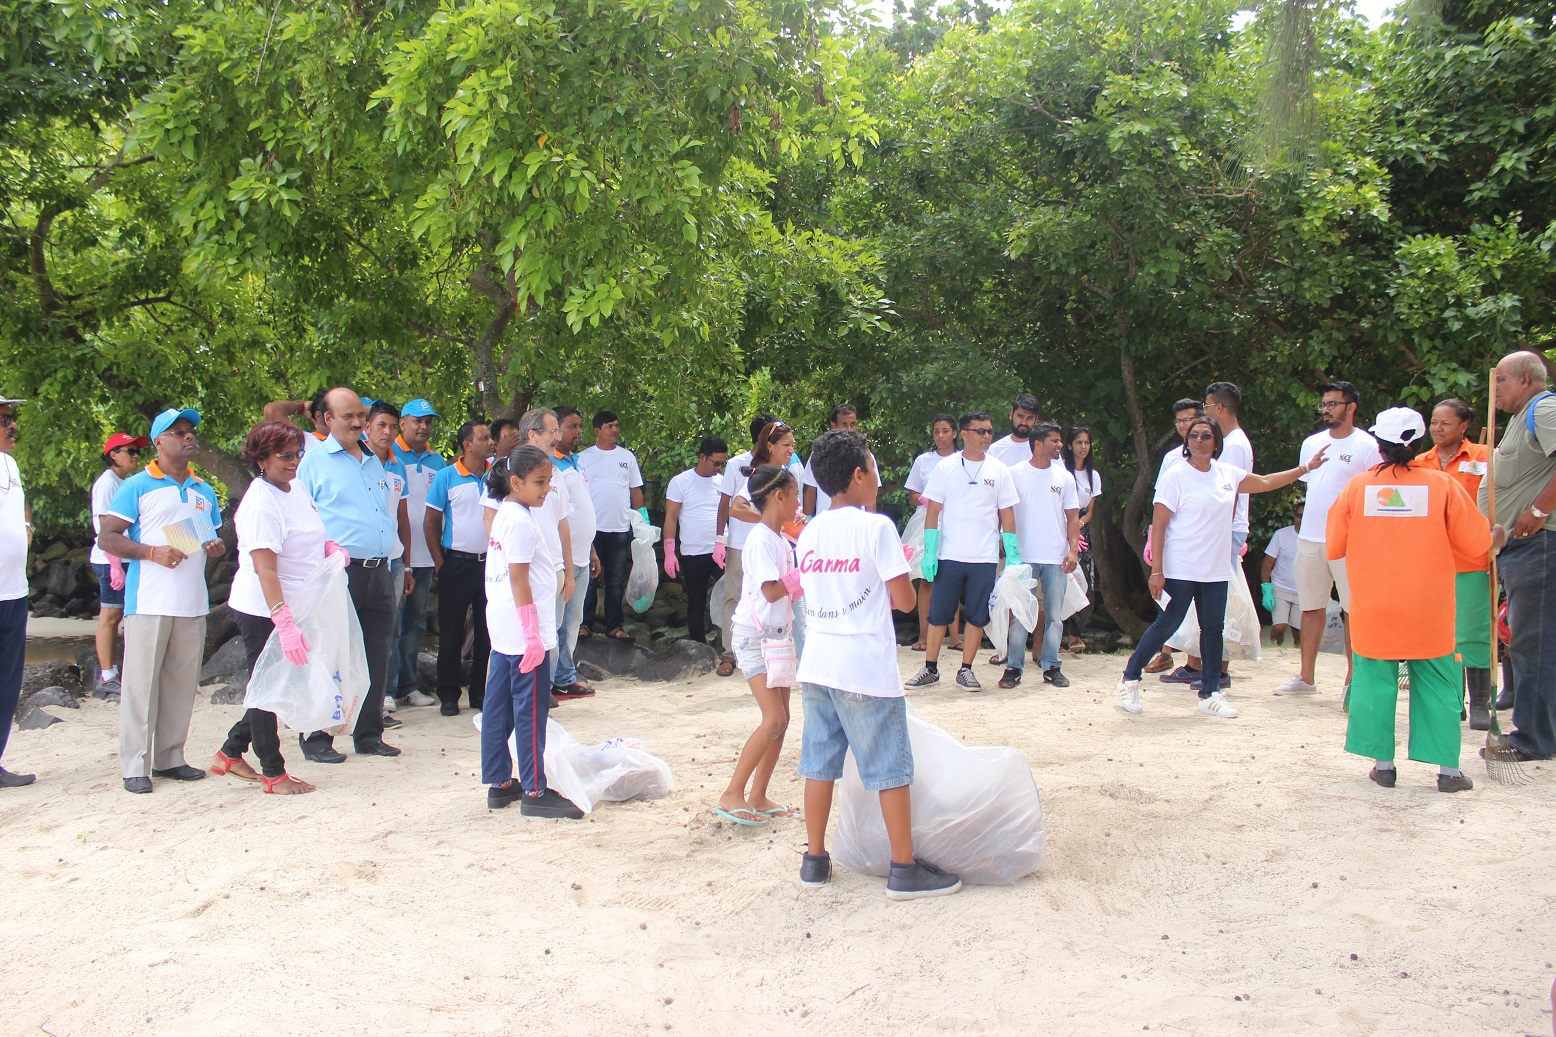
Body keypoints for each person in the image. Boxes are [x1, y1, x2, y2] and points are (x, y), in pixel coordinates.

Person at [794, 429, 961, 900]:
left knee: (819, 764)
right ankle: (903, 869)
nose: (880, 479)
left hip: (818, 664)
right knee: (889, 767)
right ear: (858, 474)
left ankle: (814, 860)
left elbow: (812, 592)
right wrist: (903, 568)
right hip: (864, 665)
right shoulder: (877, 527)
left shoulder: (810, 532)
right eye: (873, 468)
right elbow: (906, 602)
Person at [1116, 416, 1324, 718]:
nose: (1199, 440)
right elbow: (1159, 526)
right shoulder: (1176, 475)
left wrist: (1305, 469)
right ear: (1187, 442)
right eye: (1194, 435)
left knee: (1213, 629)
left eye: (1206, 436)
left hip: (1214, 569)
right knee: (1167, 623)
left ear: (1216, 443)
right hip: (1180, 567)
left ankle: (1210, 693)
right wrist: (1157, 571)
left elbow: (1265, 482)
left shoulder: (1227, 473)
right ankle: (1129, 679)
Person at [1330, 407, 1494, 791]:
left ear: (1379, 445)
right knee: (1439, 681)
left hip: (1375, 602)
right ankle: (1448, 773)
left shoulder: (1358, 487)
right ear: (1418, 442)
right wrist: (1495, 532)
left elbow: (1335, 546)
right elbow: (1476, 542)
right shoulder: (1442, 485)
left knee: (1374, 681)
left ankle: (1383, 766)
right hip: (1429, 604)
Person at [97, 408, 226, 792]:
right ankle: (135, 765)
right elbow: (108, 537)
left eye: (190, 432)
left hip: (191, 602)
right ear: (158, 441)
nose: (188, 437)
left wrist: (215, 547)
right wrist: (151, 552)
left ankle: (170, 757)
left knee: (181, 685)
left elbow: (210, 538)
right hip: (149, 600)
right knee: (140, 686)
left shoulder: (204, 490)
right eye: (178, 432)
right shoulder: (137, 485)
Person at [209, 421, 335, 794]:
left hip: (298, 599)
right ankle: (273, 771)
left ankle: (231, 751)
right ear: (261, 459)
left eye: (298, 453)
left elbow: (307, 531)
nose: (295, 461)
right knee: (267, 685)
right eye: (285, 455)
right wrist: (283, 620)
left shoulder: (293, 487)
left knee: (281, 683)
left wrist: (327, 549)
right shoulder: (260, 503)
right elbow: (266, 568)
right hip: (264, 606)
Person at [295, 388, 400, 761]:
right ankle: (316, 736)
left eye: (360, 415)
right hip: (338, 573)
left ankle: (368, 733)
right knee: (329, 654)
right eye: (347, 416)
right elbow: (300, 520)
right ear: (325, 420)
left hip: (379, 571)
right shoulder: (311, 462)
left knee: (375, 654)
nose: (358, 422)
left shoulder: (374, 459)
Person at [481, 444, 585, 818]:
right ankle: (536, 791)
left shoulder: (506, 515)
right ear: (515, 481)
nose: (546, 490)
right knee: (531, 709)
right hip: (526, 632)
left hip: (504, 629)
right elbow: (519, 579)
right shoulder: (522, 523)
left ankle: (499, 781)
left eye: (549, 482)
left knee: (499, 705)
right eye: (540, 482)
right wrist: (532, 636)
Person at [1275, 381, 1382, 697]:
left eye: (1333, 403)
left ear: (1351, 408)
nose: (1326, 409)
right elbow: (1313, 484)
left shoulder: (1368, 446)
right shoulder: (1312, 443)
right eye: (1324, 404)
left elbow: (1375, 494)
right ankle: (1306, 678)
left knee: (1353, 610)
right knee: (1310, 606)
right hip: (1310, 537)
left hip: (1349, 540)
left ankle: (1353, 681)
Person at [907, 411, 1020, 692]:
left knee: (977, 615)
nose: (986, 437)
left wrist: (1014, 554)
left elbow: (1007, 514)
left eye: (990, 432)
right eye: (980, 431)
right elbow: (932, 511)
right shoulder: (945, 468)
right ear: (965, 433)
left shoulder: (999, 470)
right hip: (949, 554)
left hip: (984, 556)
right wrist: (930, 552)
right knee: (939, 613)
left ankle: (966, 669)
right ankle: (930, 668)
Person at [1480, 351, 1556, 762]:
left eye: (1502, 381)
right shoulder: (1519, 418)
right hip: (1521, 547)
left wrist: (1539, 510)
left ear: (1526, 379)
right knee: (1529, 640)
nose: (1495, 390)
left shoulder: (1544, 409)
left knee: (1534, 641)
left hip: (1541, 545)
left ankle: (1532, 739)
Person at [717, 464, 803, 825]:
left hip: (778, 638)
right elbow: (770, 591)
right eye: (795, 495)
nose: (799, 503)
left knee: (782, 720)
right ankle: (732, 792)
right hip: (754, 639)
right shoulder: (761, 539)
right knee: (772, 719)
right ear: (778, 497)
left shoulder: (780, 539)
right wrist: (806, 570)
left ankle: (759, 795)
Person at [1409, 398, 1493, 729]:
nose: (1437, 429)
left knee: (1472, 632)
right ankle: (1452, 699)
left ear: (1463, 427)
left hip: (1472, 557)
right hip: (1430, 560)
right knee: (1440, 633)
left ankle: (1480, 705)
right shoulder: (1419, 462)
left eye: (1445, 423)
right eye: (1433, 422)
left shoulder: (1484, 458)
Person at [715, 414, 802, 676]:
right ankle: (733, 654)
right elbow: (735, 507)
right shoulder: (754, 473)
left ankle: (775, 659)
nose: (791, 450)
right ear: (770, 446)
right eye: (786, 444)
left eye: (792, 444)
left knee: (780, 600)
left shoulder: (785, 473)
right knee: (741, 598)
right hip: (748, 545)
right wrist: (771, 521)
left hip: (779, 547)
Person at [999, 423, 1080, 689]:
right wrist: (1009, 550)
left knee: (1055, 616)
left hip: (1056, 558)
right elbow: (1004, 512)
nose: (1059, 445)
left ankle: (1052, 666)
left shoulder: (1064, 477)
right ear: (1037, 444)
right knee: (1021, 615)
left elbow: (1073, 517)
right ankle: (1013, 667)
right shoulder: (1014, 474)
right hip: (1024, 557)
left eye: (1060, 440)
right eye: (1054, 441)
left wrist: (1073, 549)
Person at [425, 419, 494, 716]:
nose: (491, 441)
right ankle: (449, 694)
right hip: (457, 563)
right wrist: (440, 563)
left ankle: (480, 693)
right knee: (451, 632)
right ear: (467, 444)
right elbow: (430, 522)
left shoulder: (497, 476)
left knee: (487, 632)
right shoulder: (446, 477)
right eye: (484, 437)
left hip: (490, 565)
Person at [1142, 399, 1205, 676]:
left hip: (1203, 539)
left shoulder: (1213, 455)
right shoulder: (1171, 458)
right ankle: (1166, 653)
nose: (1183, 426)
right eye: (1179, 421)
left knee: (1203, 602)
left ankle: (1197, 659)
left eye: (1188, 420)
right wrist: (1154, 538)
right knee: (1169, 597)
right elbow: (1161, 505)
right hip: (1175, 538)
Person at [391, 398, 445, 708]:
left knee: (414, 625)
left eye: (429, 422)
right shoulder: (387, 457)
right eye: (417, 421)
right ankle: (385, 690)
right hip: (397, 556)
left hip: (426, 557)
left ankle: (407, 687)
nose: (424, 427)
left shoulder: (437, 462)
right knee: (391, 625)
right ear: (403, 423)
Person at [577, 411, 646, 642]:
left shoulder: (627, 457)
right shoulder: (583, 458)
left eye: (617, 425)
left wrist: (642, 522)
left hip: (619, 528)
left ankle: (614, 626)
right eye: (609, 426)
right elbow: (577, 494)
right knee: (588, 579)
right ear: (597, 431)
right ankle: (584, 624)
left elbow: (635, 490)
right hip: (592, 530)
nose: (615, 430)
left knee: (615, 580)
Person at [365, 402, 413, 727]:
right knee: (358, 632)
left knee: (389, 631)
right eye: (380, 425)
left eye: (392, 427)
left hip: (393, 563)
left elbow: (403, 519)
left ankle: (382, 699)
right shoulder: (358, 465)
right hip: (360, 564)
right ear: (366, 427)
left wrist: (407, 566)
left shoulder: (398, 469)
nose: (387, 432)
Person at [90, 431, 147, 698]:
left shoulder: (122, 482)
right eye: (130, 451)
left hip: (125, 558)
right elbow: (105, 529)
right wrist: (114, 565)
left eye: (137, 451)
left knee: (125, 615)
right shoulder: (107, 484)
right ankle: (108, 675)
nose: (136, 456)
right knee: (110, 616)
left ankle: (120, 672)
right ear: (113, 455)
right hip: (110, 560)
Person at [547, 406, 598, 699]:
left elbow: (579, 511)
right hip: (560, 561)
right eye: (572, 426)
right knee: (553, 625)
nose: (579, 432)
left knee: (572, 623)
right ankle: (545, 684)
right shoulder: (549, 468)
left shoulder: (574, 463)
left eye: (580, 426)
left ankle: (564, 678)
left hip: (580, 557)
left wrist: (591, 550)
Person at [904, 415, 963, 653]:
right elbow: (911, 496)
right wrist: (925, 498)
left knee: (952, 576)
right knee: (926, 578)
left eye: (945, 431)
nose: (940, 436)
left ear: (955, 434)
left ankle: (955, 637)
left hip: (954, 522)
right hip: (926, 521)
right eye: (936, 431)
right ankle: (924, 635)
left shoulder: (963, 461)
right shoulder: (923, 461)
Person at [0, 395, 35, 788]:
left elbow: (19, 508)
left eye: (12, 418)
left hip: (13, 592)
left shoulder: (9, 464)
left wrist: (28, 532)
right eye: (5, 419)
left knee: (8, 683)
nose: (12, 426)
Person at [664, 436, 728, 646]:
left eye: (722, 463)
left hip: (721, 548)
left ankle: (730, 646)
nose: (719, 468)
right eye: (715, 462)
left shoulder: (723, 482)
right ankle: (698, 648)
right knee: (696, 602)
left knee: (730, 597)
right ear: (702, 457)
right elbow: (671, 517)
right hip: (693, 552)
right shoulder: (681, 482)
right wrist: (669, 551)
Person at [802, 405, 880, 516]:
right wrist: (807, 521)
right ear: (833, 425)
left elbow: (871, 496)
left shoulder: (866, 455)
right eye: (844, 424)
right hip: (827, 522)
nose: (849, 429)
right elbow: (811, 492)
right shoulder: (820, 454)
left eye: (852, 424)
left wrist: (872, 522)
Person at [1062, 426, 1100, 648]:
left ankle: (1077, 633)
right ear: (1070, 445)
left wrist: (1079, 525)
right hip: (1062, 527)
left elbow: (1091, 509)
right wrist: (1070, 527)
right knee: (1064, 577)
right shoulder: (1062, 471)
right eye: (1078, 442)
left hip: (1081, 528)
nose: (1083, 447)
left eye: (1086, 443)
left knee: (1084, 577)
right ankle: (1058, 632)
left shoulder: (1093, 475)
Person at [1260, 503, 1305, 647]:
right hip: (1281, 587)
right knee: (1279, 627)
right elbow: (1267, 563)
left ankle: (1297, 659)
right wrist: (1266, 589)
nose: (1302, 519)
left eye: (1306, 516)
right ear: (1294, 516)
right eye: (1299, 516)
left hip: (1303, 591)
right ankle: (1275, 652)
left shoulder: (1317, 538)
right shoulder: (1282, 535)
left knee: (1299, 632)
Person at [989, 393, 1043, 467]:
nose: (1024, 422)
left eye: (1029, 418)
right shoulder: (994, 450)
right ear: (1011, 414)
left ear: (1036, 419)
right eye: (1020, 416)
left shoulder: (1045, 449)